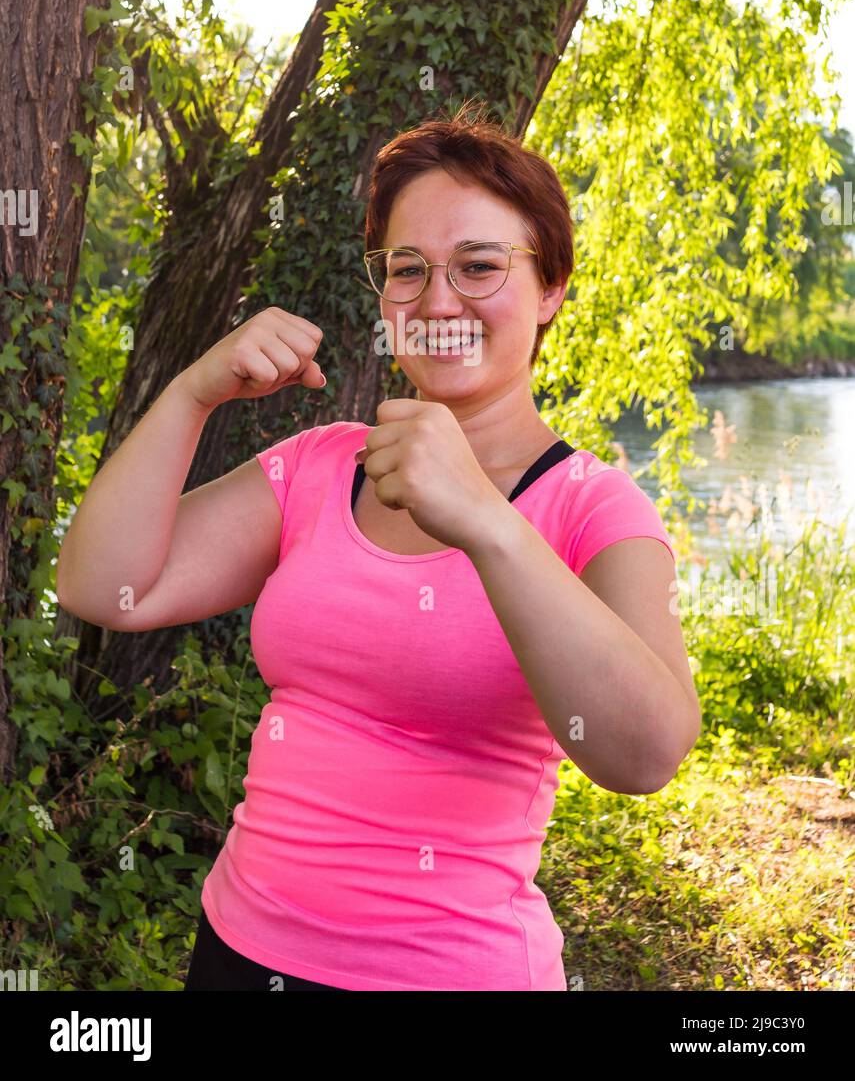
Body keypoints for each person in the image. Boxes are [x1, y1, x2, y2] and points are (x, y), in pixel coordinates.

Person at [56, 110, 701, 992]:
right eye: (407, 270)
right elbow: (104, 587)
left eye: (479, 266)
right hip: (239, 955)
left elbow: (644, 755)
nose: (438, 302)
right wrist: (192, 394)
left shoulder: (593, 508)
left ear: (550, 287)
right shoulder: (321, 465)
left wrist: (485, 520)